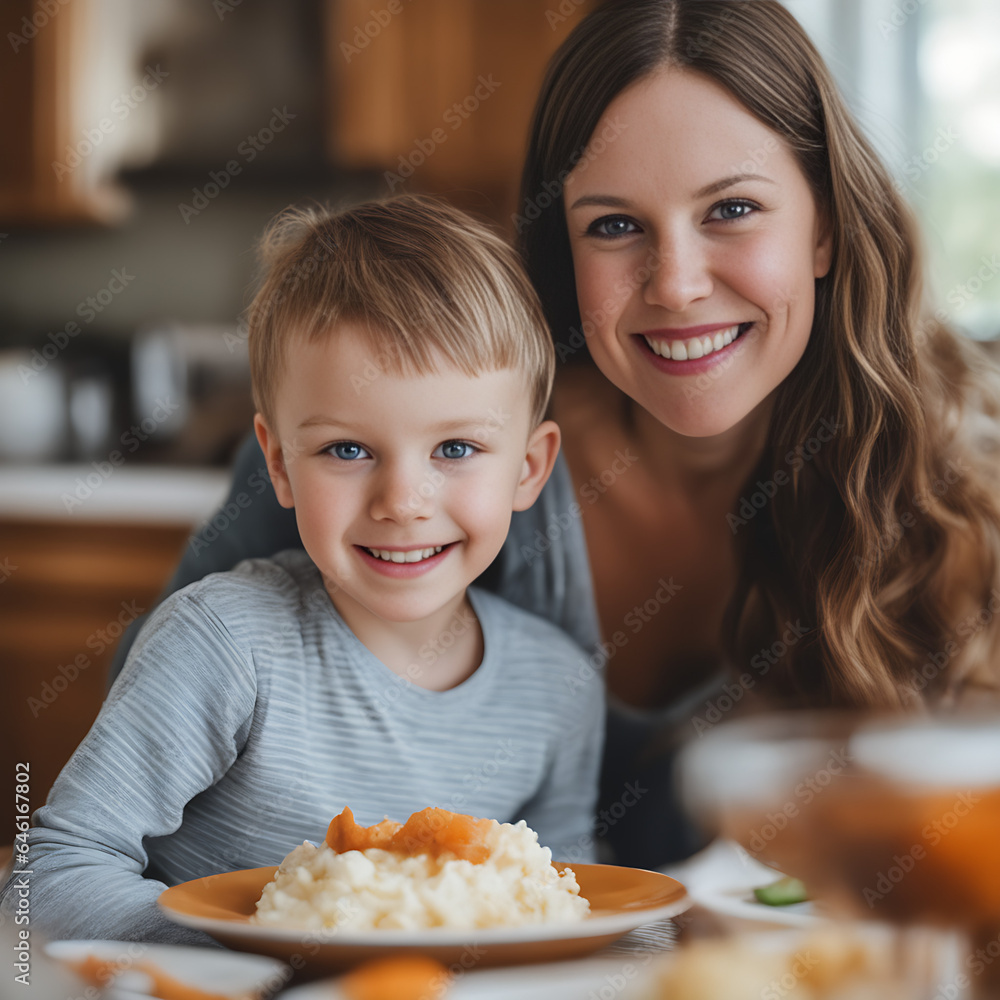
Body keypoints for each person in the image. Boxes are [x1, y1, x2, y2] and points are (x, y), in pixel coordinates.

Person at [108, 0, 1000, 869]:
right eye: (614, 225)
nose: (678, 284)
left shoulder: (953, 477)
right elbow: (141, 772)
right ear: (562, 249)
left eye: (731, 209)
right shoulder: (388, 441)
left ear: (826, 227)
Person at [1, 196, 604, 944]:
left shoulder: (559, 688)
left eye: (455, 449)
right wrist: (254, 961)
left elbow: (574, 908)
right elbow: (51, 875)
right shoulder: (224, 643)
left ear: (529, 467)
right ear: (279, 465)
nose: (402, 503)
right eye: (348, 450)